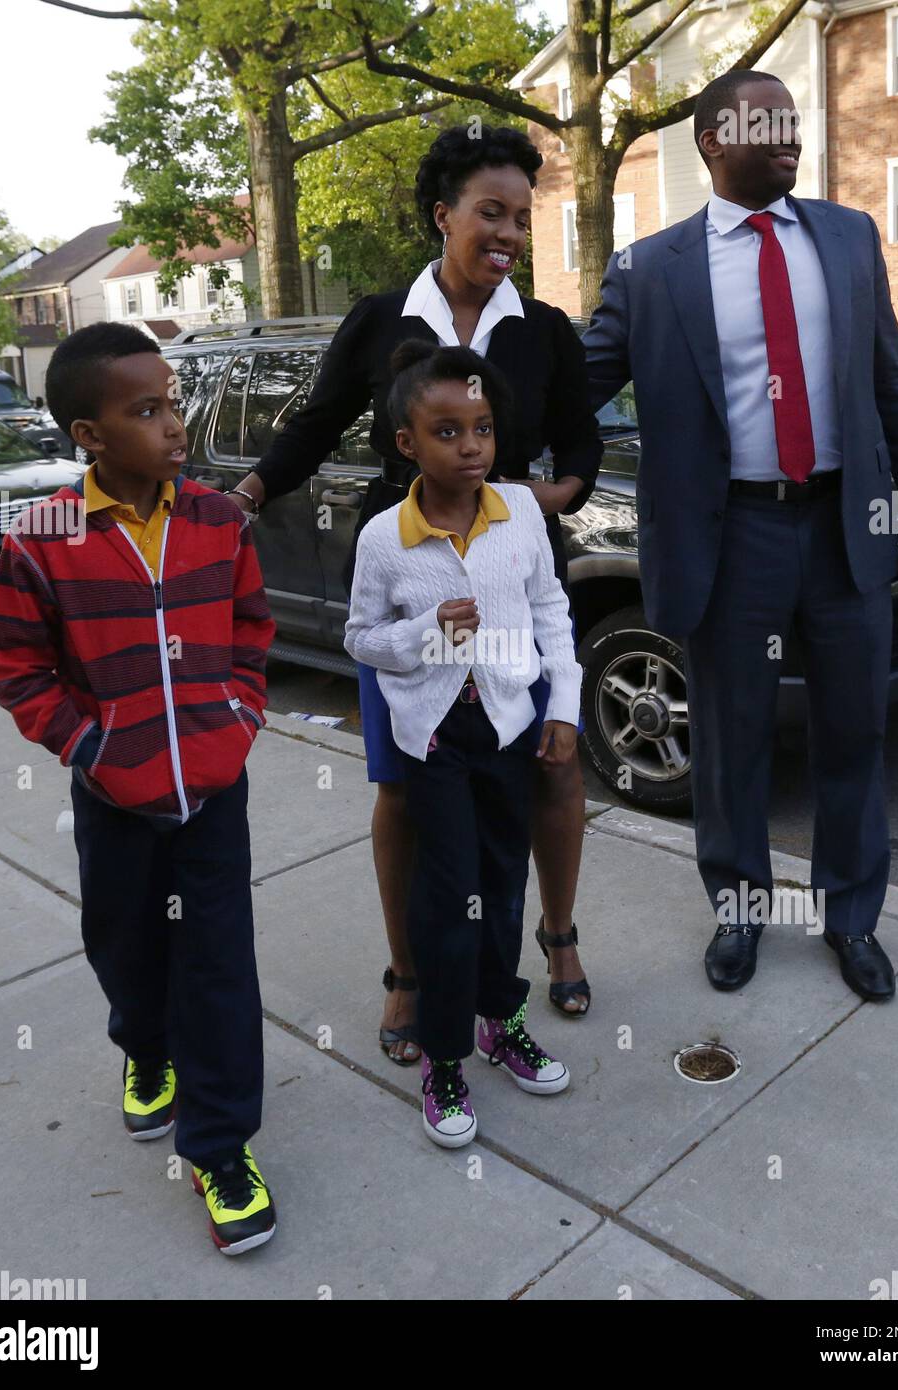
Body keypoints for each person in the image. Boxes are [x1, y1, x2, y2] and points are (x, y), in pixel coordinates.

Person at [227, 125, 603, 1061]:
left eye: (523, 215)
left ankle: (555, 938)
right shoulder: (380, 320)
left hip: (514, 582)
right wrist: (246, 492)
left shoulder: (545, 331)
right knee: (404, 781)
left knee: (552, 762)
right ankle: (410, 974)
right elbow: (313, 426)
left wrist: (539, 500)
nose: (510, 231)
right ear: (444, 215)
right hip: (407, 582)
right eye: (491, 211)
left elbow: (584, 447)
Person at [583, 70, 898, 1002]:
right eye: (767, 122)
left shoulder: (847, 236)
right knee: (731, 738)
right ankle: (741, 912)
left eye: (795, 123)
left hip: (844, 529)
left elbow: (891, 382)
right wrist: (480, 397)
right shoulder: (653, 267)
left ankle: (850, 920)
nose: (791, 136)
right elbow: (575, 381)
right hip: (731, 535)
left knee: (852, 731)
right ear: (712, 139)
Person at [0, 322, 278, 1256]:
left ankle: (221, 1145)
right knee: (126, 943)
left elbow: (250, 631)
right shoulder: (43, 540)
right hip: (114, 795)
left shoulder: (218, 522)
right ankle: (145, 1052)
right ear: (90, 435)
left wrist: (237, 715)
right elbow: (18, 666)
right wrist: (89, 745)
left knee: (221, 964)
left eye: (172, 403)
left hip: (211, 794)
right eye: (144, 410)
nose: (173, 424)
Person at [343, 338, 581, 1146]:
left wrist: (565, 707)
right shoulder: (385, 538)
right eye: (447, 431)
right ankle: (442, 1058)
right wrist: (422, 632)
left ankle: (497, 1020)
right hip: (434, 737)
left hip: (508, 727)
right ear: (407, 443)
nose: (471, 445)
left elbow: (550, 609)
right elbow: (361, 640)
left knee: (504, 884)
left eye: (481, 427)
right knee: (448, 897)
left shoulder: (518, 515)